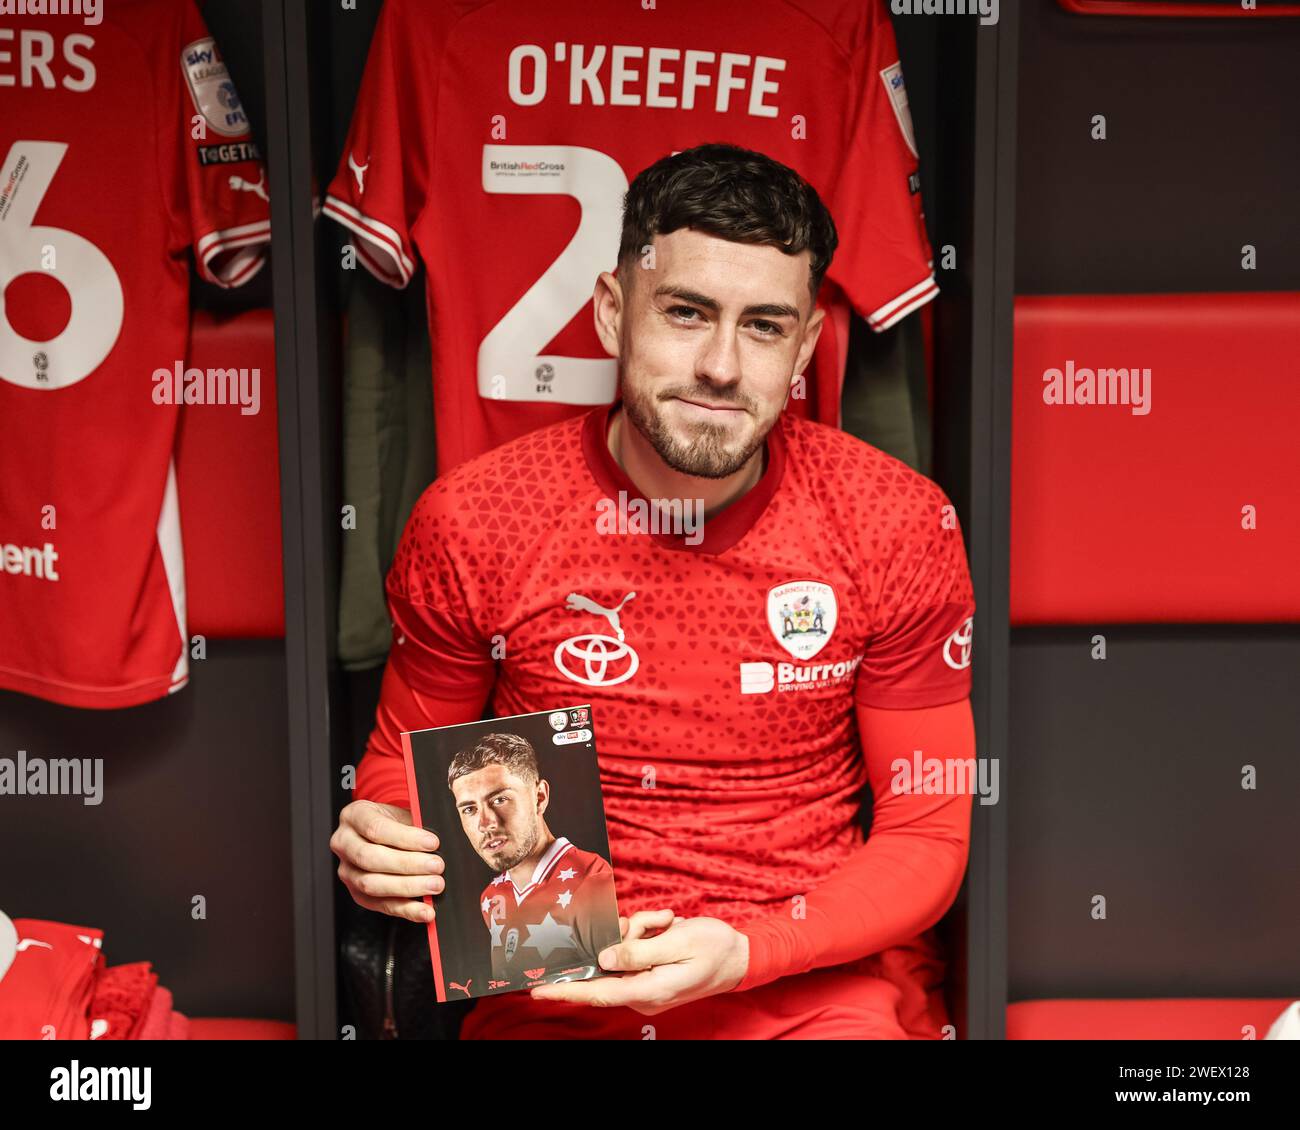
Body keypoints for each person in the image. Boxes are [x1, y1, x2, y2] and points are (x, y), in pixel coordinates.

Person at [329, 142, 977, 1040]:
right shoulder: (478, 518)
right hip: (558, 978)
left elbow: (928, 834)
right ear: (610, 313)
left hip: (808, 982)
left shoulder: (896, 522)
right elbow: (407, 761)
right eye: (685, 312)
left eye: (763, 326)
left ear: (806, 347)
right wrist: (385, 838)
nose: (720, 365)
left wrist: (750, 950)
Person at [446, 733, 616, 993]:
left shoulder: (593, 880)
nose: (485, 824)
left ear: (539, 797)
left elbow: (616, 989)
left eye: (500, 799)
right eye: (469, 809)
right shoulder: (490, 897)